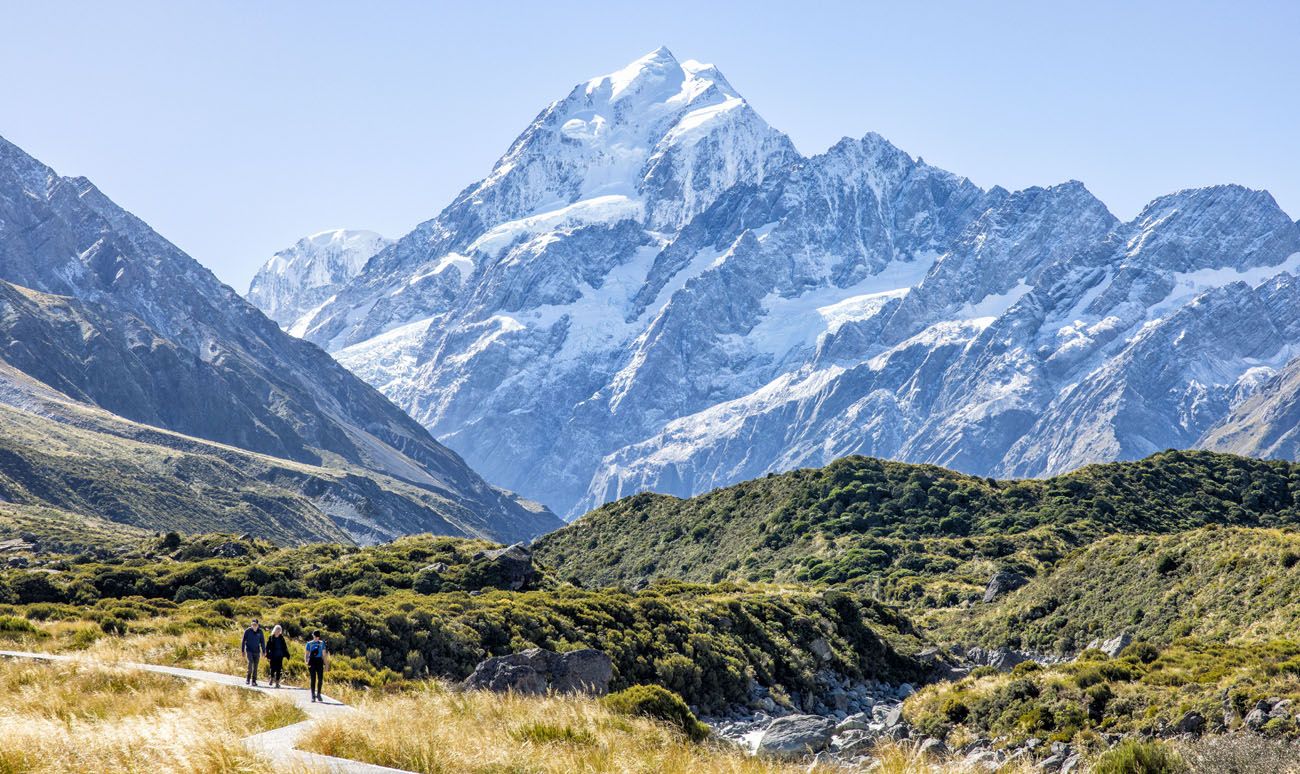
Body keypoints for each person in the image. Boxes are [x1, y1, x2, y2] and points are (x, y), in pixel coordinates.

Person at [304, 629, 329, 702]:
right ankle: (313, 695)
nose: (315, 638)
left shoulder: (322, 644)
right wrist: (306, 661)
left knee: (320, 679)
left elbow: (324, 655)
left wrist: (326, 665)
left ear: (318, 637)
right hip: (312, 661)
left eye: (316, 637)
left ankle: (318, 694)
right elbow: (306, 654)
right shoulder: (309, 644)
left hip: (319, 661)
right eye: (314, 637)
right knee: (313, 679)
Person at [241, 618, 266, 686]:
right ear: (251, 625)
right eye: (253, 624)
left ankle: (254, 681)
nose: (254, 626)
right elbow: (243, 641)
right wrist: (242, 651)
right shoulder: (247, 631)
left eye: (255, 625)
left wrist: (264, 651)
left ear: (258, 625)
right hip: (249, 650)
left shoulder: (260, 632)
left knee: (255, 667)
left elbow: (262, 642)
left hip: (257, 651)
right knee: (250, 664)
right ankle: (248, 679)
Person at [266, 624, 290, 688]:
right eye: (277, 630)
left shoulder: (281, 638)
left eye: (279, 630)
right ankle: (271, 679)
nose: (278, 631)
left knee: (279, 669)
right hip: (273, 655)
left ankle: (277, 683)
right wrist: (267, 655)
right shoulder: (271, 637)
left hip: (280, 656)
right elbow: (267, 647)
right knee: (272, 668)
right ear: (275, 630)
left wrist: (287, 654)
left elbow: (285, 647)